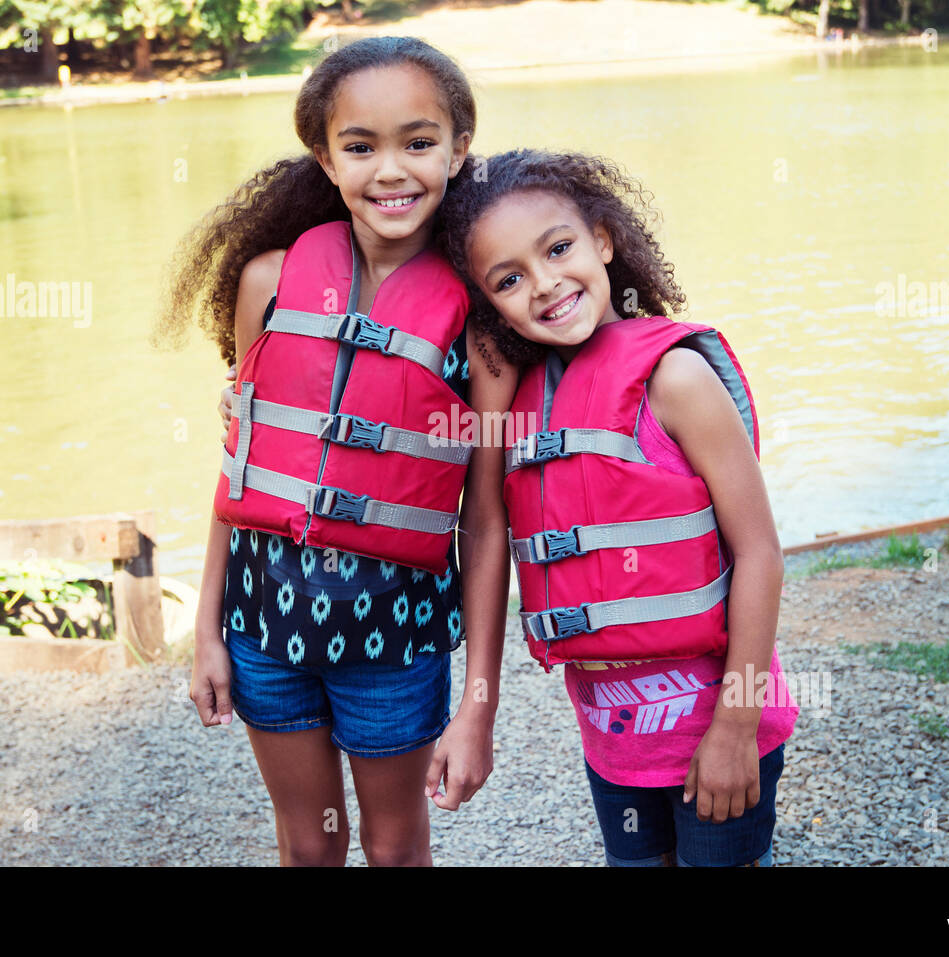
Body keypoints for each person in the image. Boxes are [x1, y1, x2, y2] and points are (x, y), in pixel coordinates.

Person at [157, 37, 517, 866]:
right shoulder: (269, 282)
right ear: (325, 157)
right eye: (361, 147)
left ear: (460, 149)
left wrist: (479, 707)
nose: (391, 170)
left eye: (418, 143)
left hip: (395, 635)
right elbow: (241, 467)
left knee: (394, 849)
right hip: (262, 626)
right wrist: (206, 628)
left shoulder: (482, 321)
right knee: (306, 846)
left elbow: (487, 524)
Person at [436, 149, 798, 867]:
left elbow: (762, 553)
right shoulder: (517, 399)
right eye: (509, 279)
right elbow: (480, 527)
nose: (545, 284)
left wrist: (734, 725)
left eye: (559, 248)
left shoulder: (677, 377)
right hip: (615, 746)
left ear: (603, 240)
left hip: (719, 729)